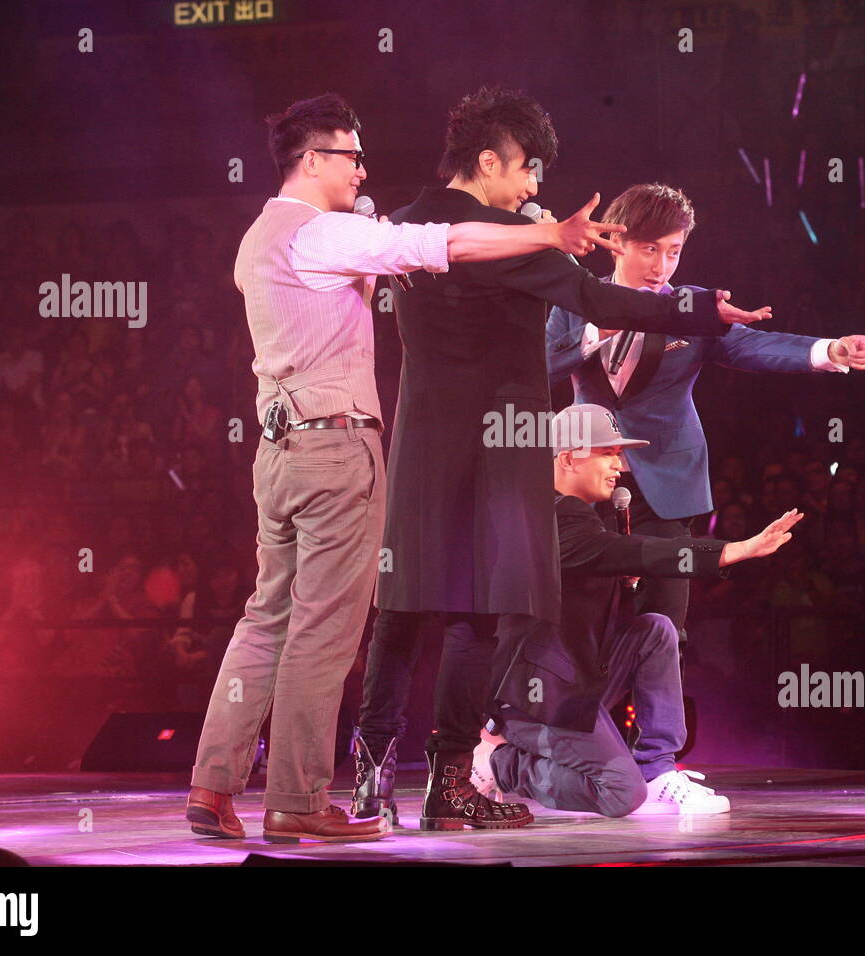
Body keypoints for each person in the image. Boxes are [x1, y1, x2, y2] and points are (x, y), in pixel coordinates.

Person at [185, 93, 627, 844]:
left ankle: (212, 785)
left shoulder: (256, 238)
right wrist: (548, 232)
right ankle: (297, 798)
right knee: (324, 631)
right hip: (335, 449)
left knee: (267, 620)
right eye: (352, 155)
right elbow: (444, 244)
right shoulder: (322, 235)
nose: (363, 166)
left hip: (275, 451)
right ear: (315, 159)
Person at [353, 88, 774, 830]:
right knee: (478, 620)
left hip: (421, 440)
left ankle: (369, 774)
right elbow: (605, 303)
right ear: (489, 161)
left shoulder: (405, 224)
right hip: (503, 446)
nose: (533, 190)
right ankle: (451, 786)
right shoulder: (516, 239)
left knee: (401, 606)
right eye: (527, 172)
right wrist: (702, 311)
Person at [546, 183, 865, 651]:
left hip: (667, 483)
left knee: (663, 629)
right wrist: (604, 324)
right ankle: (577, 720)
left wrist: (829, 350)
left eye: (673, 252)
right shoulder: (578, 299)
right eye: (650, 249)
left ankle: (659, 726)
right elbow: (544, 363)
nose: (661, 266)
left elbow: (753, 347)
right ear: (618, 243)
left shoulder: (693, 307)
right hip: (588, 483)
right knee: (584, 625)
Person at [480, 405, 803, 816]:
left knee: (655, 630)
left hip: (576, 679)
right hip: (538, 695)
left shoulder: (579, 514)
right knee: (620, 794)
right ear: (567, 458)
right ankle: (500, 763)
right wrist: (731, 551)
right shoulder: (554, 515)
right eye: (607, 453)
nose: (620, 466)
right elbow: (642, 551)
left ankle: (656, 767)